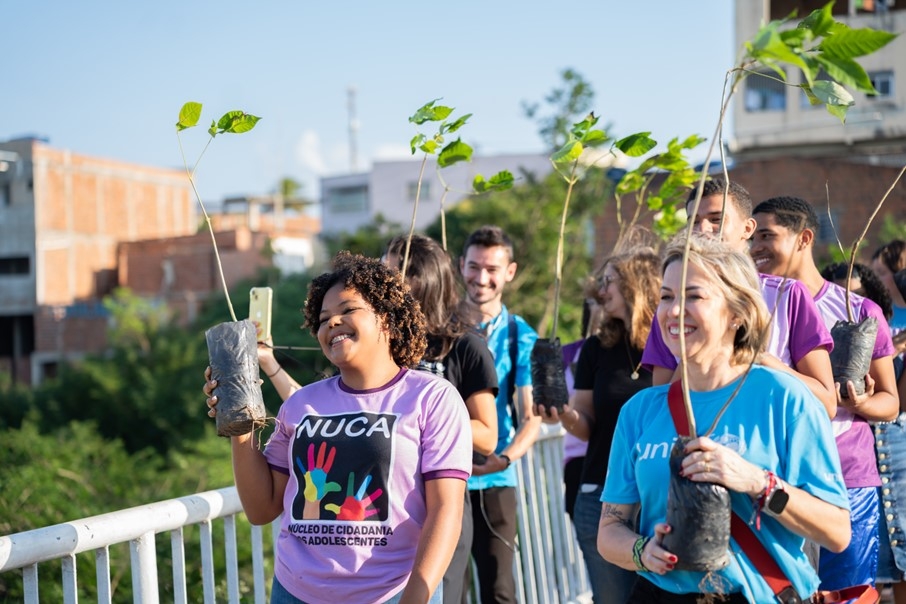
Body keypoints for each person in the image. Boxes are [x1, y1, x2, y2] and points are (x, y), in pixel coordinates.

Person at [205, 251, 472, 604]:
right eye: (323, 318)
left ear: (387, 319)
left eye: (347, 310)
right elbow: (261, 509)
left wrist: (415, 597)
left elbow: (446, 511)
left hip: (392, 595)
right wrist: (239, 426)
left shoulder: (432, 397)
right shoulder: (300, 405)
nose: (332, 323)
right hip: (295, 593)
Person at [598, 234, 851, 603]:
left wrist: (757, 483)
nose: (673, 311)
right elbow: (609, 528)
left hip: (756, 595)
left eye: (694, 296)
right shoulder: (640, 411)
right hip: (659, 594)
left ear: (737, 312)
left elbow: (837, 531)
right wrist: (641, 552)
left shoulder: (784, 399)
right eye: (667, 297)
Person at [750, 196, 898, 594]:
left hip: (848, 477)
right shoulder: (749, 309)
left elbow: (890, 402)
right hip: (776, 479)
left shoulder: (858, 309)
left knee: (848, 595)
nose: (756, 247)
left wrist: (861, 403)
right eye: (751, 237)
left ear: (804, 239)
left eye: (767, 235)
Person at [641, 178, 837, 417]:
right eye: (694, 221)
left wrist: (763, 361)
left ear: (748, 229)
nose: (703, 230)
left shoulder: (787, 295)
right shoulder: (673, 308)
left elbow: (827, 404)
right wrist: (696, 353)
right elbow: (660, 408)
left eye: (716, 219)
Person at [383, 234, 498, 604]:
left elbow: (487, 435)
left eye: (391, 272)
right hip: (385, 512)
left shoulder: (465, 344)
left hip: (440, 504)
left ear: (422, 278)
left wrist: (427, 417)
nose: (384, 283)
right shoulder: (385, 345)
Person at [542, 248, 661, 603]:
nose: (600, 291)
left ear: (635, 285)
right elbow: (586, 426)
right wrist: (563, 412)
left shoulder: (671, 341)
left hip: (655, 493)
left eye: (608, 281)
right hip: (599, 493)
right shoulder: (596, 348)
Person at [459, 225, 541, 604]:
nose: (481, 278)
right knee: (448, 590)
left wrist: (502, 459)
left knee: (499, 590)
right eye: (474, 267)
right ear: (461, 267)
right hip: (444, 476)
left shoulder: (520, 335)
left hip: (495, 477)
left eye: (492, 269)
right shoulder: (441, 329)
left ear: (509, 271)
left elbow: (531, 415)